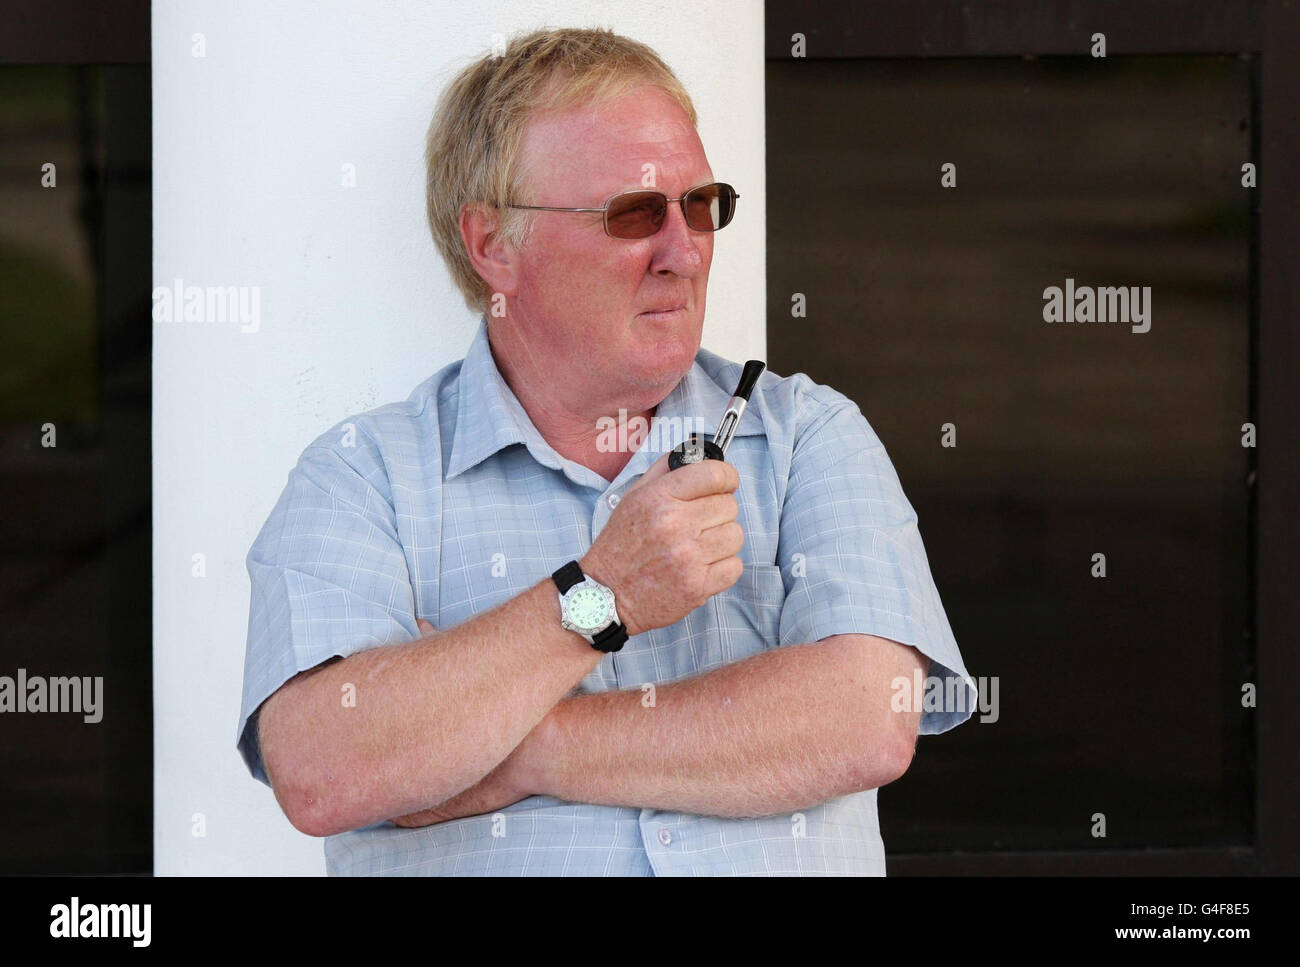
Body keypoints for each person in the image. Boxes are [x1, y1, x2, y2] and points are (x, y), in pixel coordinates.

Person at [236, 26, 975, 876]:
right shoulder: (364, 475)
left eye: (701, 205)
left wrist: (512, 741)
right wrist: (601, 595)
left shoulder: (807, 433)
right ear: (494, 246)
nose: (686, 251)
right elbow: (323, 766)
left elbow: (867, 717)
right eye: (635, 214)